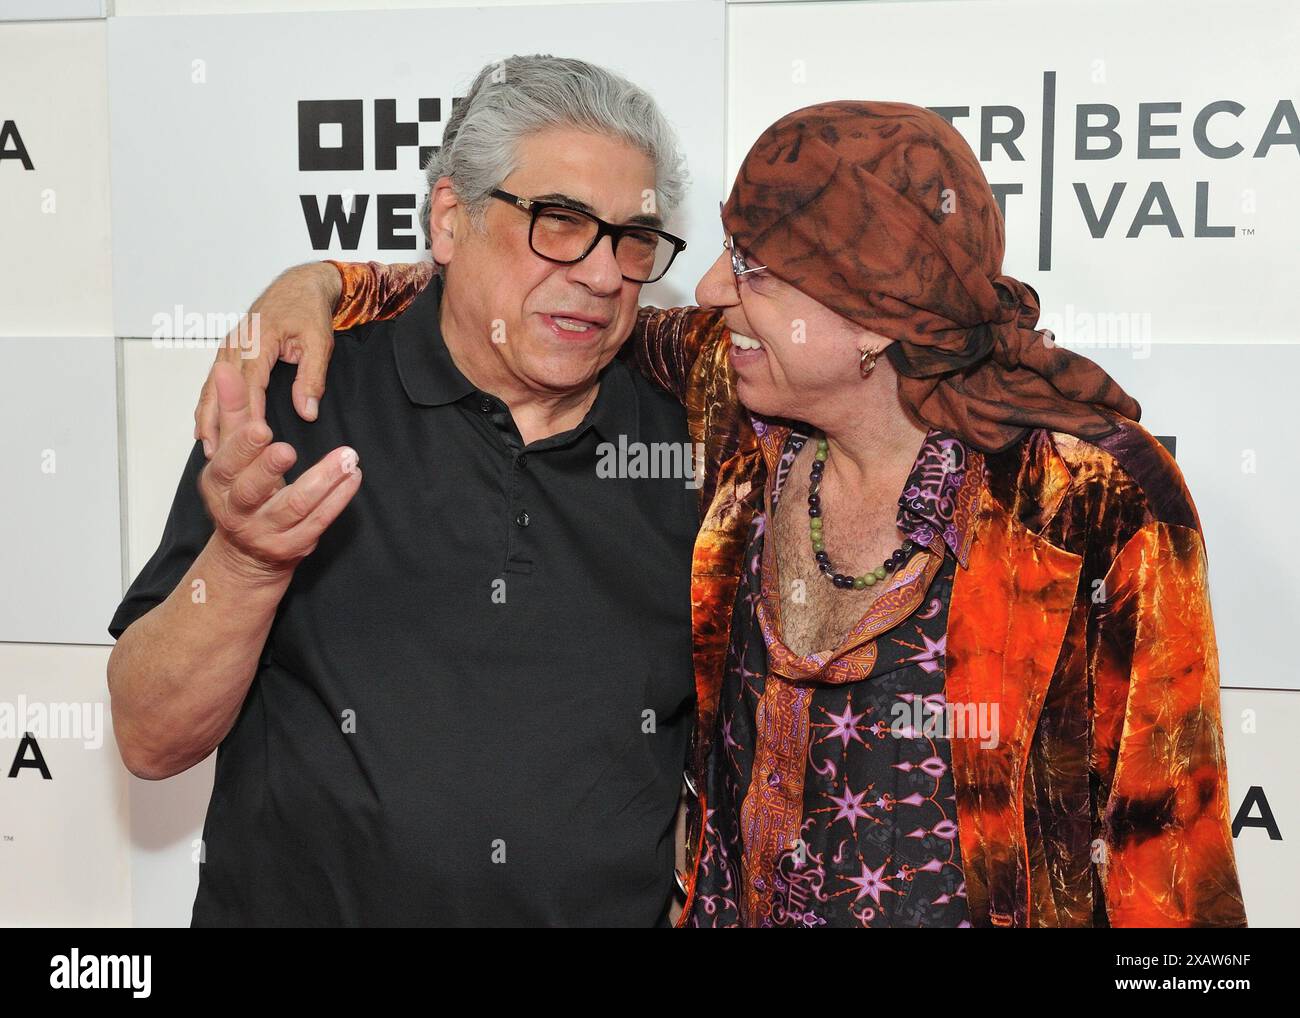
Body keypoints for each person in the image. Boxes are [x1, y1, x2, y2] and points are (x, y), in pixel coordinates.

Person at [198, 101, 1247, 928]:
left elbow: (1171, 849)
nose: (704, 287)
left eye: (751, 264)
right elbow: (484, 290)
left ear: (875, 314)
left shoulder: (1088, 502)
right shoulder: (729, 396)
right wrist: (317, 283)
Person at [108, 55, 702, 926]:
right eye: (561, 222)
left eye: (633, 238)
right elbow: (150, 737)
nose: (604, 274)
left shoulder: (699, 450)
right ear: (451, 221)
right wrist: (244, 561)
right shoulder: (302, 398)